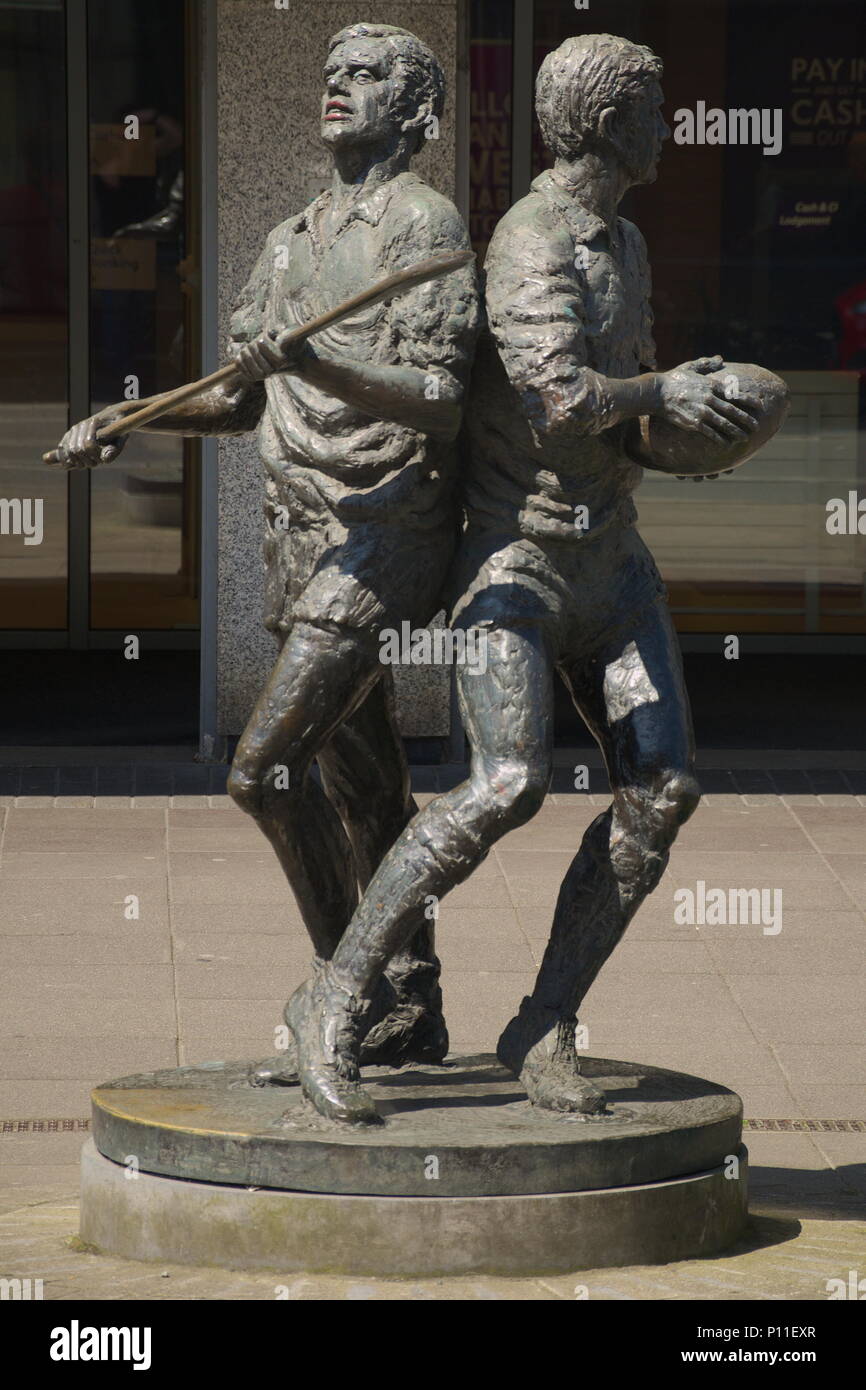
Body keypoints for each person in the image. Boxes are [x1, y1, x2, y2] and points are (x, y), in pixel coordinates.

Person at [286, 32, 762, 1124]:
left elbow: (629, 421)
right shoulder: (528, 239)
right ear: (603, 121)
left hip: (611, 563)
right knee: (506, 784)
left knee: (662, 790)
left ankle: (542, 1019)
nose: (666, 121)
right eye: (650, 103)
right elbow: (556, 395)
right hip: (517, 566)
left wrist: (700, 433)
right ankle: (338, 995)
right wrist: (662, 393)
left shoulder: (626, 242)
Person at [48, 23, 480, 1090]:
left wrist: (323, 360)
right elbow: (240, 397)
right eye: (331, 73)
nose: (337, 86)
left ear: (417, 109)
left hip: (383, 532)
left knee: (263, 772)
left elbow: (441, 395)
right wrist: (135, 416)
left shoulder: (423, 226)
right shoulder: (289, 238)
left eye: (368, 74)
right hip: (297, 536)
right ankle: (410, 1007)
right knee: (368, 787)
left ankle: (347, 986)